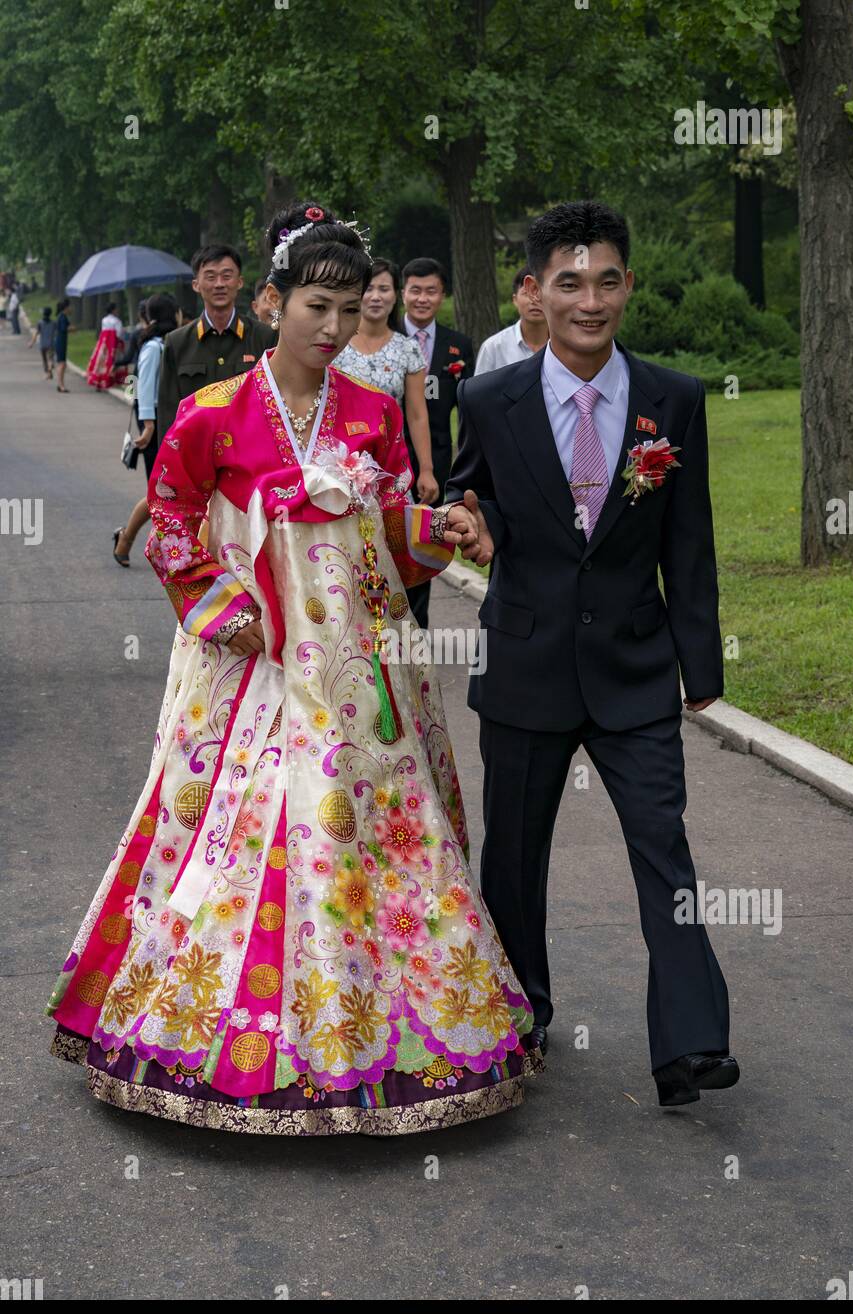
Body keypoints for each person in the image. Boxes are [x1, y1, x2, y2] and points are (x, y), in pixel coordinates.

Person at [45, 199, 542, 1138]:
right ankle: (229, 1025)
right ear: (274, 301)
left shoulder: (369, 413)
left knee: (369, 828)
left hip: (358, 665)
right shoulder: (213, 414)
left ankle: (379, 1022)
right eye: (317, 304)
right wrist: (220, 605)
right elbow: (173, 516)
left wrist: (443, 531)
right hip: (254, 665)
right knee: (236, 827)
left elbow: (390, 522)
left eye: (350, 310)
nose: (333, 326)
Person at [445, 200, 738, 1107]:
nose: (590, 299)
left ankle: (690, 1040)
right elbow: (471, 496)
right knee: (514, 856)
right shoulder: (488, 398)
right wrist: (472, 523)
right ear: (533, 293)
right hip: (525, 664)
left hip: (636, 670)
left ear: (628, 287)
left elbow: (688, 541)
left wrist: (701, 667)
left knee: (663, 846)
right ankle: (520, 1011)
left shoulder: (673, 400)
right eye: (569, 282)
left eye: (607, 280)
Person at [400, 258, 475, 628]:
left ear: (442, 295)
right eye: (415, 290)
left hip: (438, 463)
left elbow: (467, 413)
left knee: (427, 544)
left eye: (431, 291)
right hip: (389, 461)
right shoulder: (387, 339)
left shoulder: (459, 346)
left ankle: (419, 632)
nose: (422, 298)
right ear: (403, 293)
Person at [332, 257, 437, 503]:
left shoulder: (408, 349)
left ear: (396, 295)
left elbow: (417, 414)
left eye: (384, 288)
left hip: (391, 462)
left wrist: (427, 469)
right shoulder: (335, 344)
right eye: (369, 289)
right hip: (340, 462)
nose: (376, 296)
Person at [157, 244, 276, 444]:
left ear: (239, 282)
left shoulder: (265, 338)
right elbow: (168, 412)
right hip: (196, 452)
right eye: (210, 277)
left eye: (227, 276)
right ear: (196, 284)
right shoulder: (177, 343)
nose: (219, 284)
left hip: (250, 451)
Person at [112, 293, 179, 566]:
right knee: (160, 490)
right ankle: (127, 538)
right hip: (155, 423)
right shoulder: (154, 347)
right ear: (172, 315)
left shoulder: (173, 344)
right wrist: (149, 424)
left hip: (172, 422)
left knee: (172, 489)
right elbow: (144, 386)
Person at [474, 264, 549, 375]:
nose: (534, 300)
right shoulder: (493, 347)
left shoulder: (566, 346)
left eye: (539, 292)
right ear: (515, 300)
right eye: (527, 293)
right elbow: (479, 391)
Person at [86, 302, 126, 390]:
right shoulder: (117, 321)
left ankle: (99, 380)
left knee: (101, 360)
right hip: (113, 343)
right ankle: (111, 380)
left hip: (103, 343)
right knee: (113, 360)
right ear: (113, 310)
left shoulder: (104, 320)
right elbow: (119, 334)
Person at [28, 306, 56, 377]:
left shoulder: (40, 323)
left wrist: (32, 343)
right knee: (50, 358)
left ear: (43, 313)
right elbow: (57, 333)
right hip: (51, 344)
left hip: (42, 344)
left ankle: (48, 373)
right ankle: (50, 366)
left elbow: (36, 333)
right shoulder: (53, 323)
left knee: (44, 360)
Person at [54, 299, 74, 392]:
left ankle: (60, 384)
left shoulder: (63, 316)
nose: (71, 308)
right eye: (70, 306)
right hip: (60, 342)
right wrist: (72, 328)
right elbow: (64, 328)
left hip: (61, 342)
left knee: (62, 363)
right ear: (66, 307)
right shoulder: (62, 317)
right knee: (62, 364)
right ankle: (61, 385)